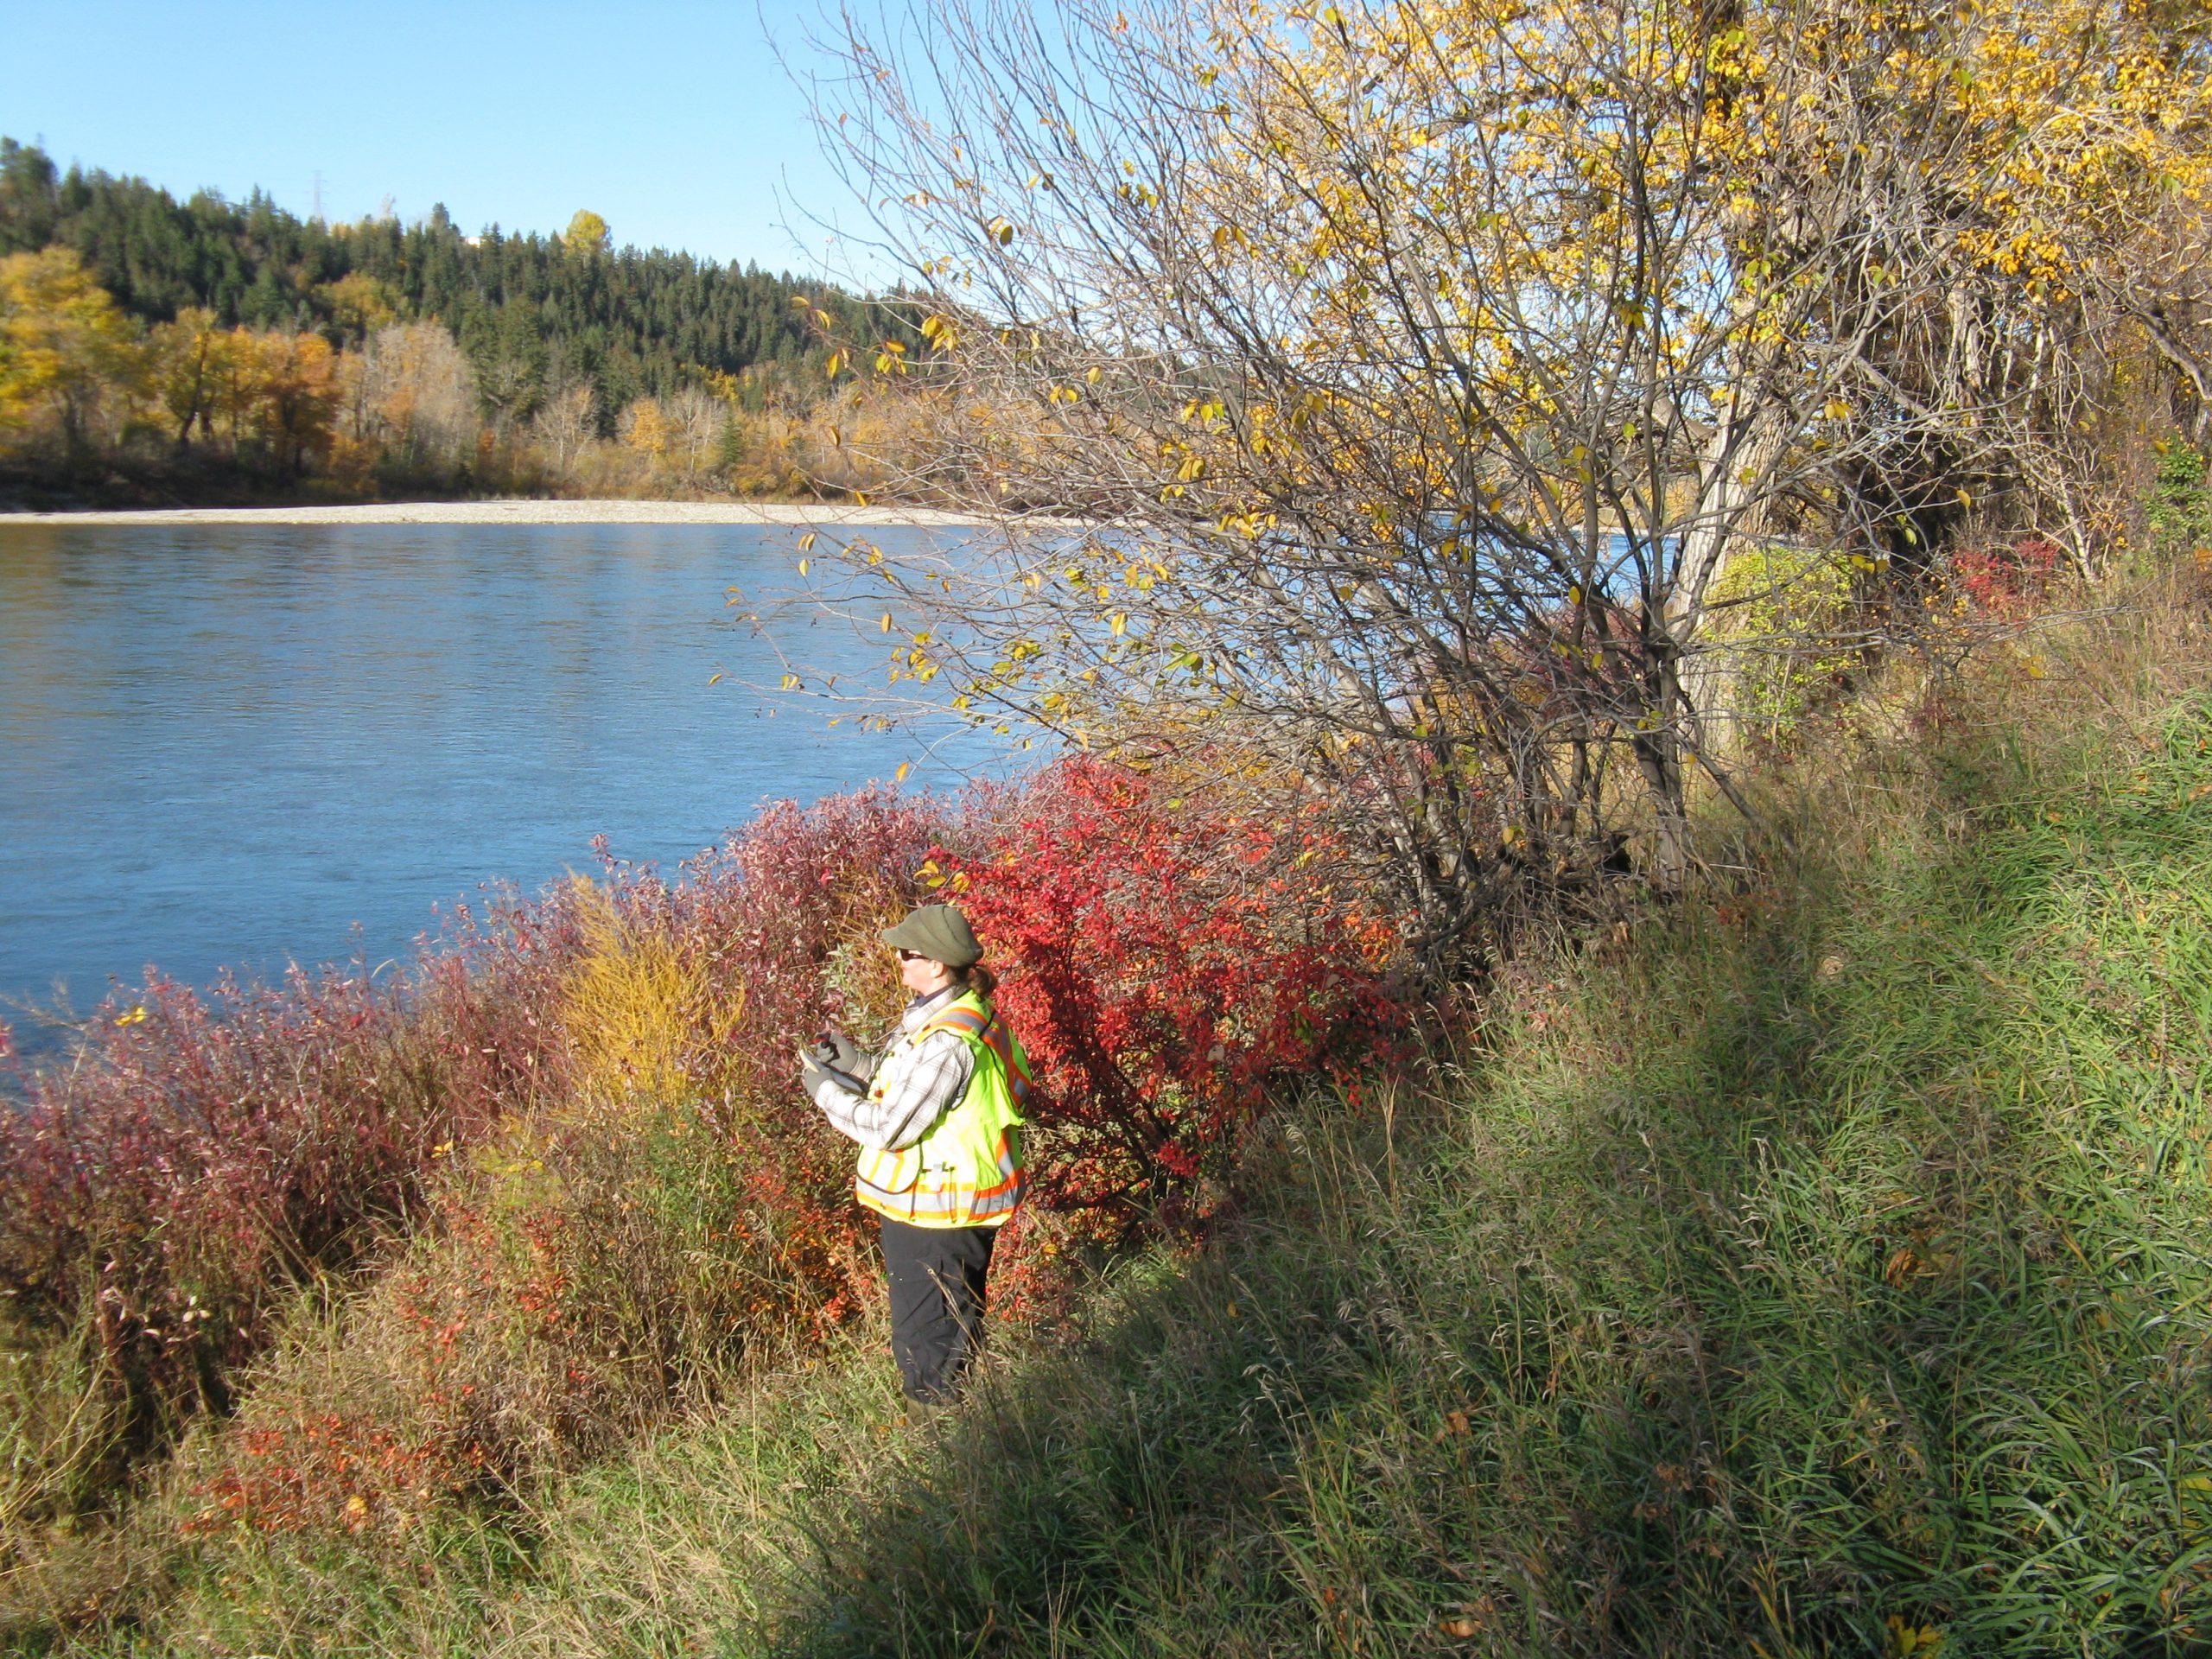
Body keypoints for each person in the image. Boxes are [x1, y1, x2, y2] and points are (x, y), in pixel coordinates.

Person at [799, 902, 1030, 1417]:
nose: (898, 960)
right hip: (940, 1205)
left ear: (937, 964)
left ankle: (941, 1450)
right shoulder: (960, 1015)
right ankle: (957, 1435)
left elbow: (891, 1128)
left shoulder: (949, 1040)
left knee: (928, 1338)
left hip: (939, 1210)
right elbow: (918, 1087)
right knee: (942, 1326)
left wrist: (825, 1092)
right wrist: (858, 1065)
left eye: (907, 953)